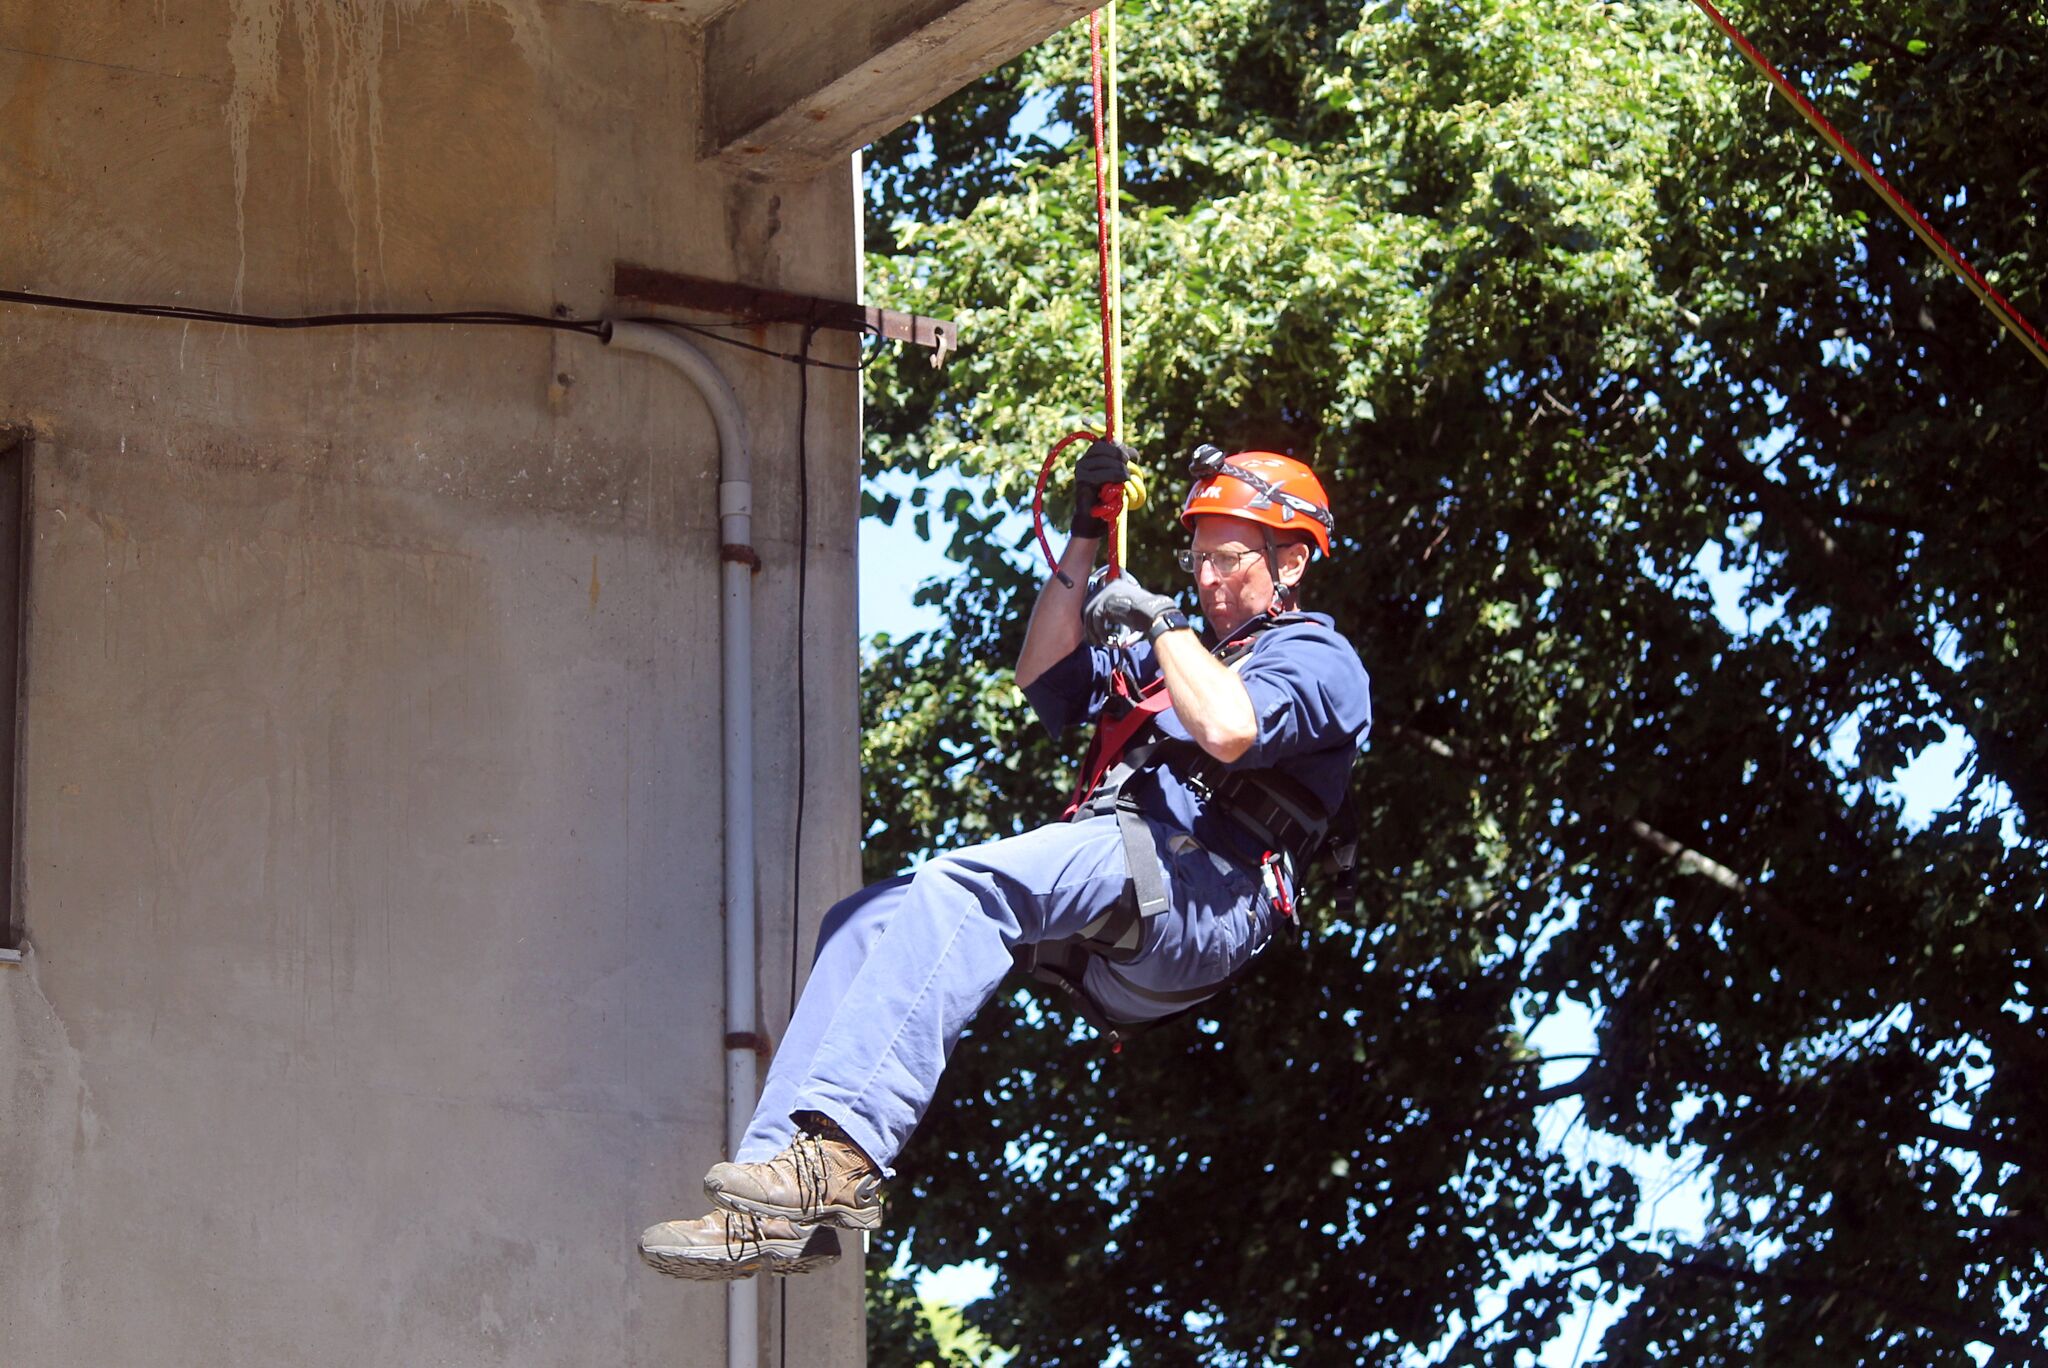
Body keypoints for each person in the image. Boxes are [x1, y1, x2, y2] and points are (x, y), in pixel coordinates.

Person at [638, 443, 1372, 1279]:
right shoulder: (1178, 659)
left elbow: (1230, 728)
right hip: (1131, 875)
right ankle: (774, 1205)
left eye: (1229, 559)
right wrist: (1084, 537)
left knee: (963, 884)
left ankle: (845, 1154)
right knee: (863, 921)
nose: (1208, 578)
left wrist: (1162, 620)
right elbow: (1044, 671)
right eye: (1197, 559)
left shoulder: (1317, 659)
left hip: (1202, 892)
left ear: (1292, 562)